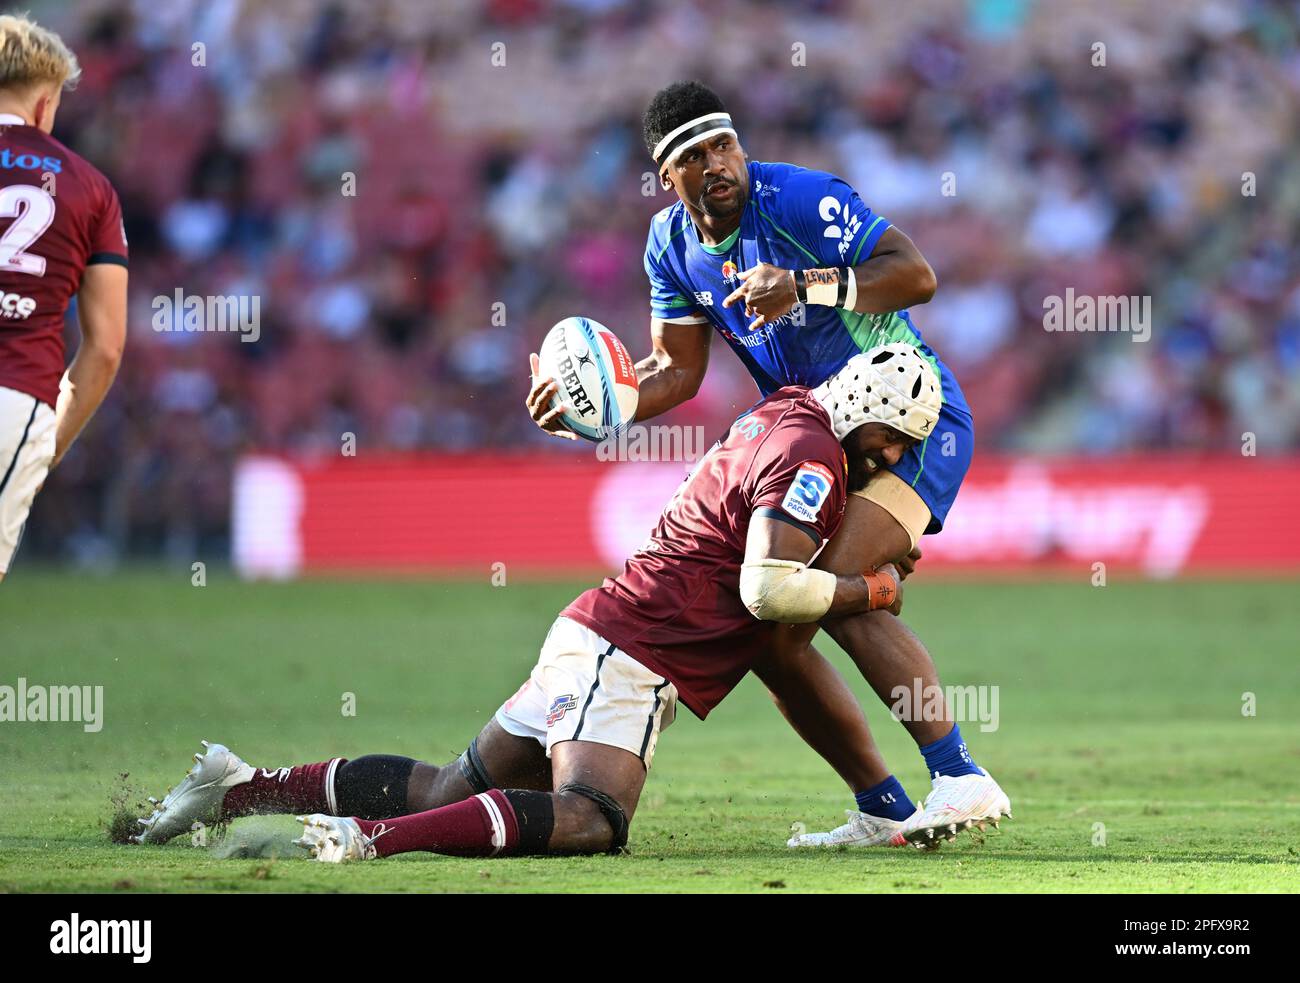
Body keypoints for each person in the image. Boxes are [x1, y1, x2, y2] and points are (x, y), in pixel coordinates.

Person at [133, 346, 1001, 860]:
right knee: (593, 817)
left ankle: (239, 788)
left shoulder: (780, 417)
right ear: (874, 421)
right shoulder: (816, 457)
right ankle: (359, 838)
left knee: (447, 783)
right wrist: (868, 587)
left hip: (598, 631)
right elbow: (768, 588)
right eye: (895, 444)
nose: (893, 460)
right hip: (633, 653)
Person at [527, 80, 1006, 846]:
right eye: (695, 155)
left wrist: (807, 284)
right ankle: (883, 806)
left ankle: (960, 776)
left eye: (724, 144)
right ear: (668, 177)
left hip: (909, 420)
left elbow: (916, 274)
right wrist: (599, 408)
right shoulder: (669, 247)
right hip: (821, 434)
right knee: (772, 626)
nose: (718, 163)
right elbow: (675, 371)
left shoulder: (796, 200)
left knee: (830, 597)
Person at [0, 13, 128, 582]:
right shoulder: (89, 187)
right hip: (16, 396)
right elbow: (103, 350)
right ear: (46, 103)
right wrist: (46, 449)